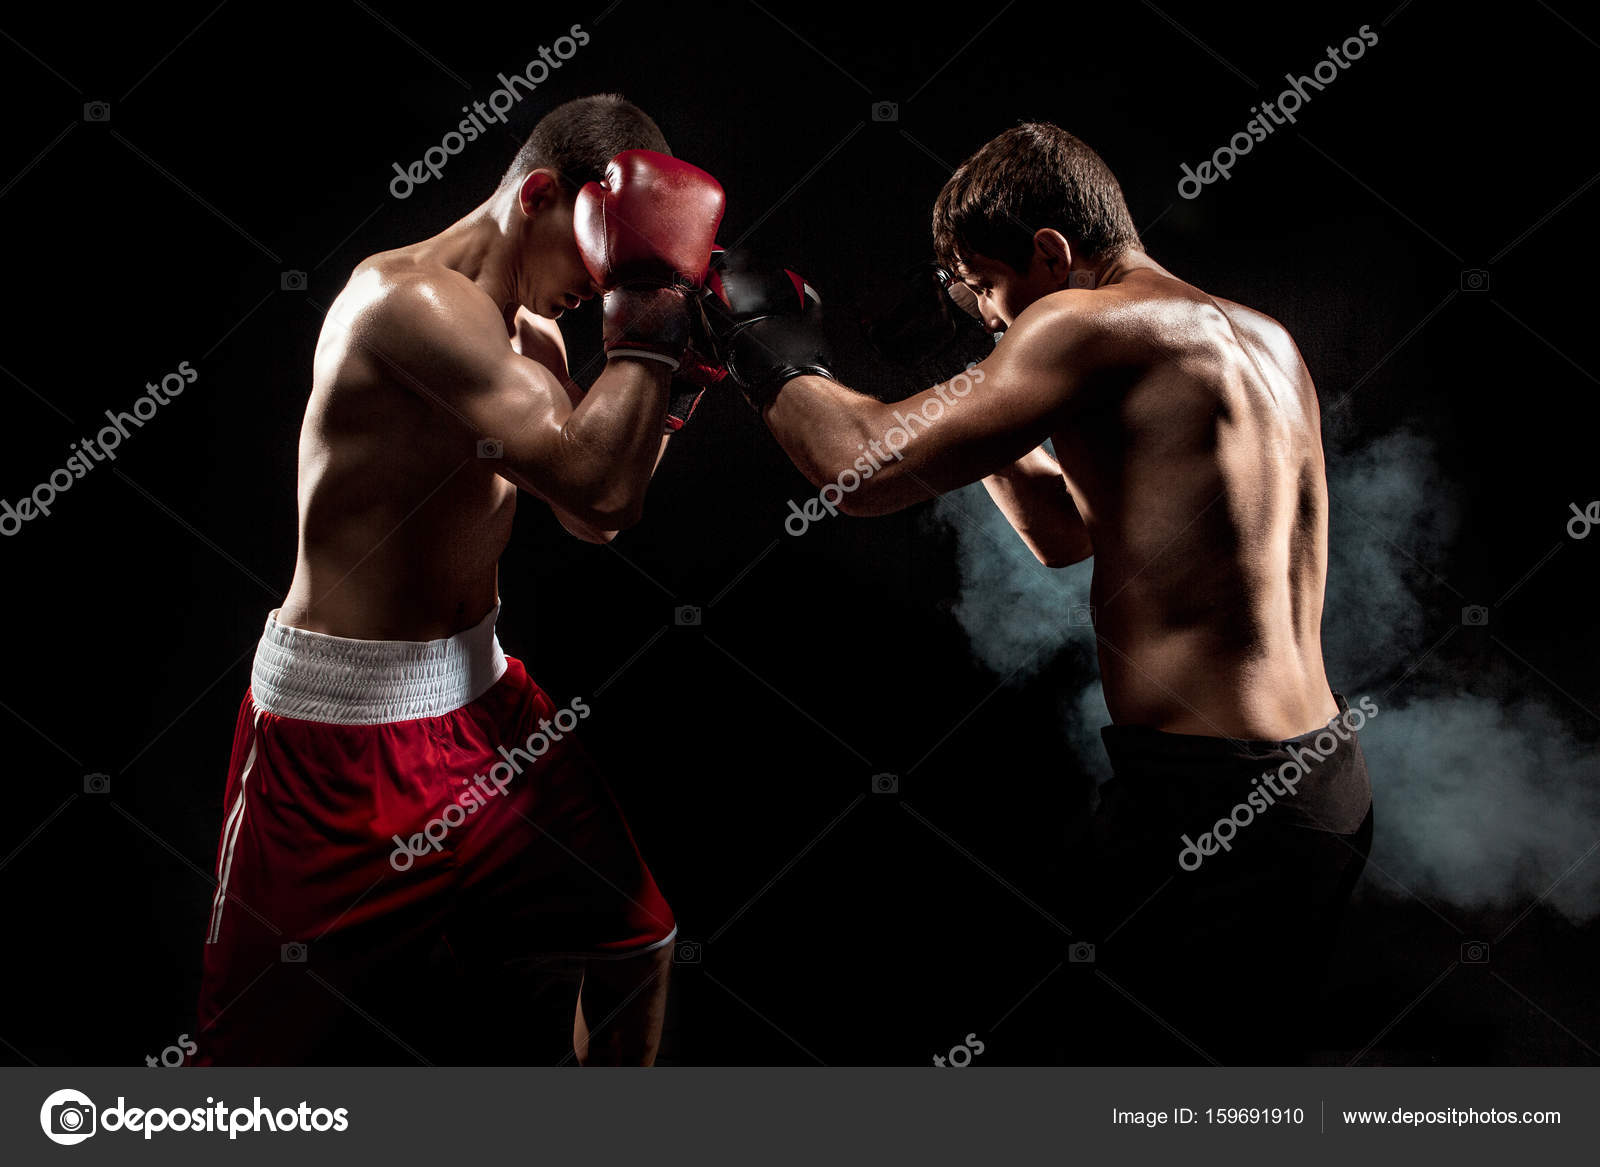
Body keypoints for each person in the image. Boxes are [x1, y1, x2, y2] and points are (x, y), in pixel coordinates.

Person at [697, 122, 1373, 1062]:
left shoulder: (1085, 323)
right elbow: (1066, 537)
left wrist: (766, 349)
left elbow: (859, 469)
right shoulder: (1255, 335)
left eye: (983, 284)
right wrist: (974, 408)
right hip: (1313, 781)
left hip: (1222, 800)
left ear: (1053, 252)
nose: (984, 313)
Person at [192, 94, 723, 1065]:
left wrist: (676, 386)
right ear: (539, 195)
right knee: (243, 1062)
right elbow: (599, 491)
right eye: (603, 252)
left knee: (635, 944)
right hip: (336, 739)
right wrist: (655, 328)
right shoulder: (407, 304)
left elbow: (587, 512)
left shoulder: (537, 336)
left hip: (486, 704)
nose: (604, 285)